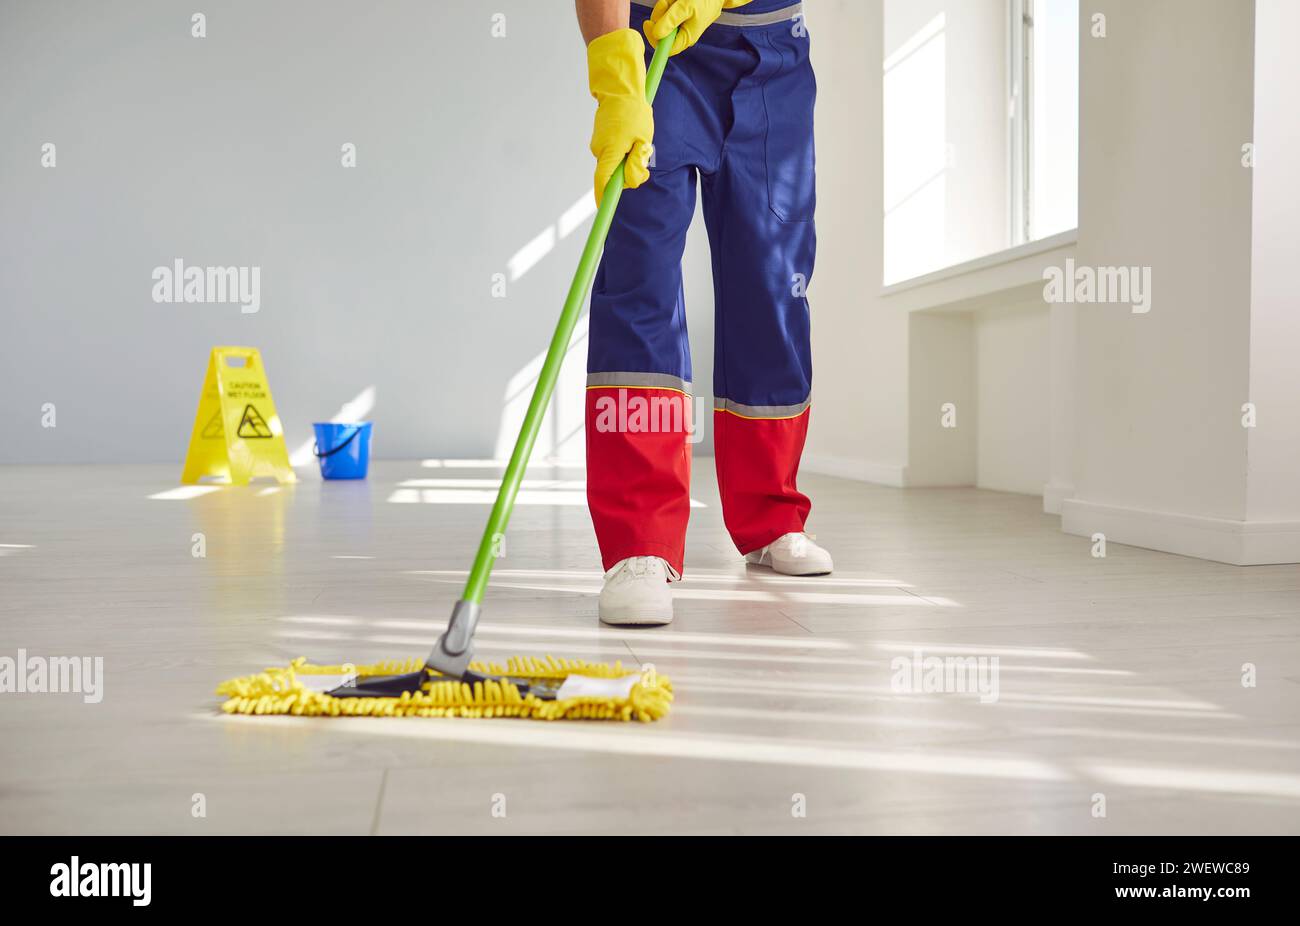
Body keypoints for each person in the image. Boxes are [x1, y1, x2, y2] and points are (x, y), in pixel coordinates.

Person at [576, 0, 831, 626]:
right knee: (641, 275)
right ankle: (639, 542)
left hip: (775, 55)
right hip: (659, 46)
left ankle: (771, 516)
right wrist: (615, 76)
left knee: (773, 280)